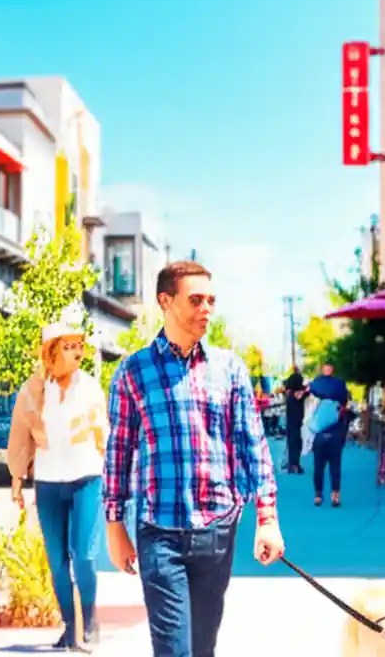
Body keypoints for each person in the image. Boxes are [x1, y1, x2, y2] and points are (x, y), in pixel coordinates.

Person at [103, 260, 284, 657]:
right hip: (158, 530)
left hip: (218, 529)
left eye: (211, 300)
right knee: (174, 652)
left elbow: (254, 444)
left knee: (202, 649)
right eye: (196, 299)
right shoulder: (133, 372)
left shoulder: (230, 369)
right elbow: (118, 452)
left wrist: (267, 519)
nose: (207, 309)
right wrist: (114, 525)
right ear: (165, 301)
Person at [7, 317, 108, 651]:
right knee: (57, 561)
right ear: (50, 352)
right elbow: (20, 435)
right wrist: (17, 477)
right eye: (68, 347)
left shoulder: (90, 386)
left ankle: (90, 620)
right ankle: (69, 627)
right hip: (49, 483)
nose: (77, 353)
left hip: (87, 478)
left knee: (85, 557)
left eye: (80, 346)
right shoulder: (32, 391)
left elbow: (104, 433)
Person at [307, 363, 349, 507]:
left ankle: (318, 494)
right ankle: (335, 495)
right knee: (334, 465)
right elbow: (344, 402)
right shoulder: (339, 385)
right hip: (335, 430)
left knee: (319, 465)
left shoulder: (314, 385)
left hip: (319, 432)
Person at [282, 366, 308, 473]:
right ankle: (294, 464)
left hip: (290, 421)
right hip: (296, 421)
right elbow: (305, 392)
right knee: (296, 443)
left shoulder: (289, 394)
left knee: (292, 442)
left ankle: (292, 464)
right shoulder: (297, 394)